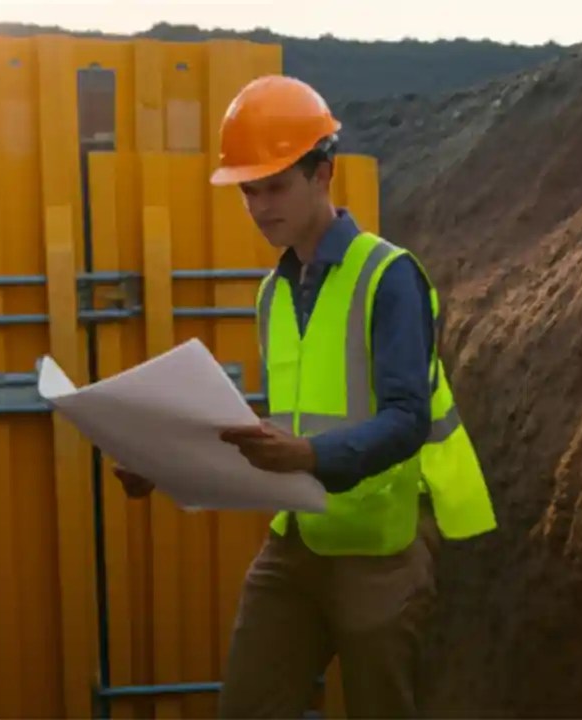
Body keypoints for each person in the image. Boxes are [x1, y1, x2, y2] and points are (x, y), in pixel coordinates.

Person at [112, 75, 497, 719]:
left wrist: (310, 458)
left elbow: (407, 421)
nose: (261, 207)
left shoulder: (388, 276)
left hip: (383, 547)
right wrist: (165, 459)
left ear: (324, 172)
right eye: (249, 191)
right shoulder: (274, 293)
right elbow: (280, 431)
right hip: (296, 542)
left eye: (276, 186)